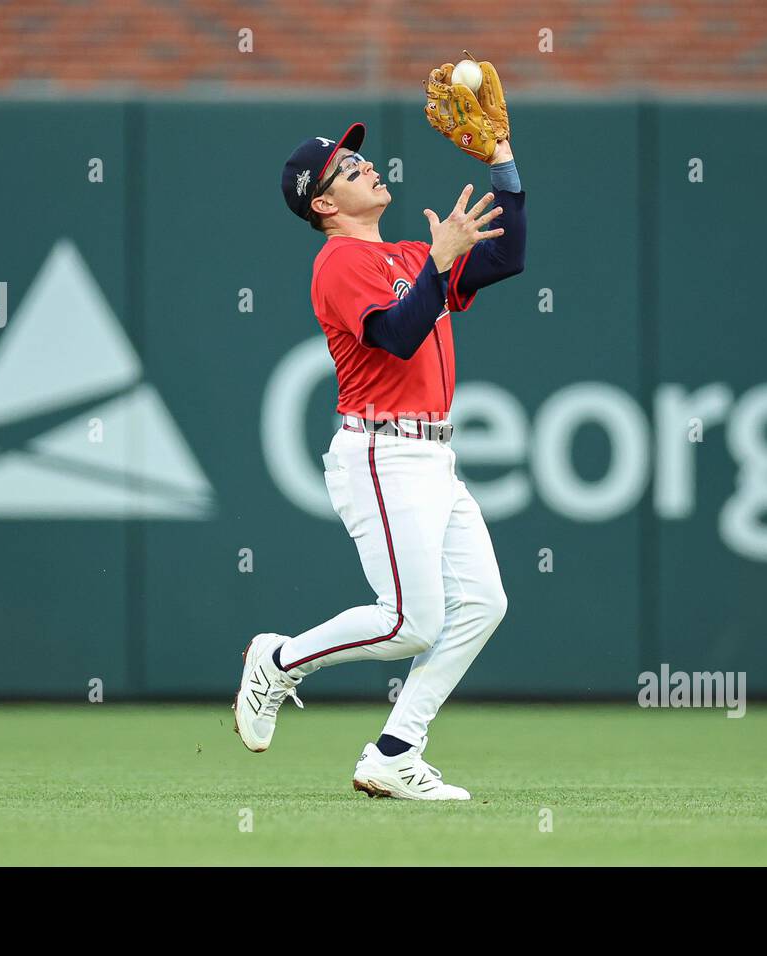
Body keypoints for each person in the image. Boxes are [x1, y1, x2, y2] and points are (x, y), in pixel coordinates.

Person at [232, 119, 526, 799]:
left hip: (434, 458)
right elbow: (394, 336)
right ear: (325, 204)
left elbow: (508, 258)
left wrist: (501, 161)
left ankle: (395, 751)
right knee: (408, 620)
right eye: (346, 167)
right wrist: (440, 260)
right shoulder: (337, 263)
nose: (364, 166)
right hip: (380, 451)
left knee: (483, 602)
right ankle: (279, 660)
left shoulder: (405, 253)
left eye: (360, 157)